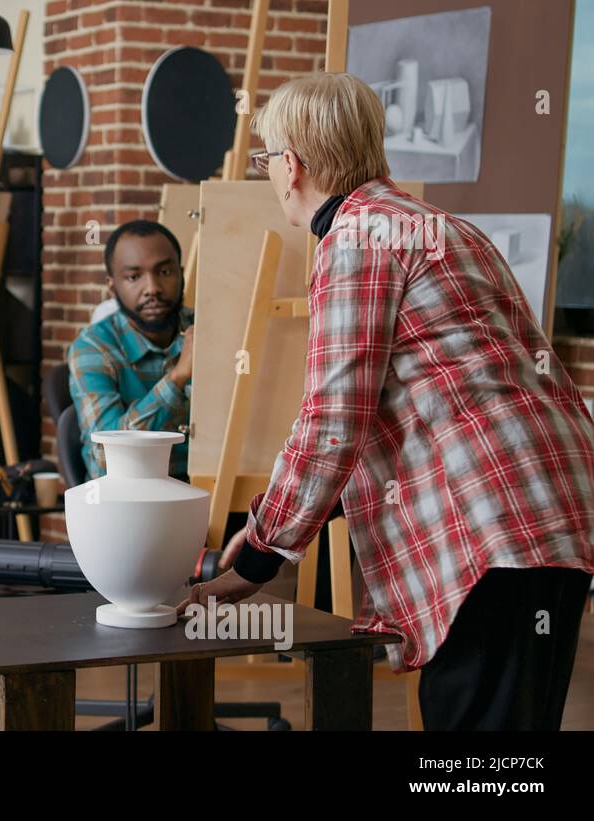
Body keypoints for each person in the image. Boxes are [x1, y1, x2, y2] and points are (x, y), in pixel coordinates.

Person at [183, 72, 594, 730]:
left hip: (493, 533)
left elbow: (331, 420)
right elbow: (447, 391)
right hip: (548, 518)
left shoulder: (357, 238)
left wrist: (262, 552)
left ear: (291, 167)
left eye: (266, 160)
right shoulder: (440, 227)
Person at [68, 220, 194, 480]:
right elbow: (106, 455)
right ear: (112, 286)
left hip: (210, 494)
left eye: (165, 272)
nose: (152, 289)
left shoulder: (208, 330)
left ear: (181, 274)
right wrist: (177, 378)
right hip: (124, 504)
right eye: (134, 277)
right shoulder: (92, 347)